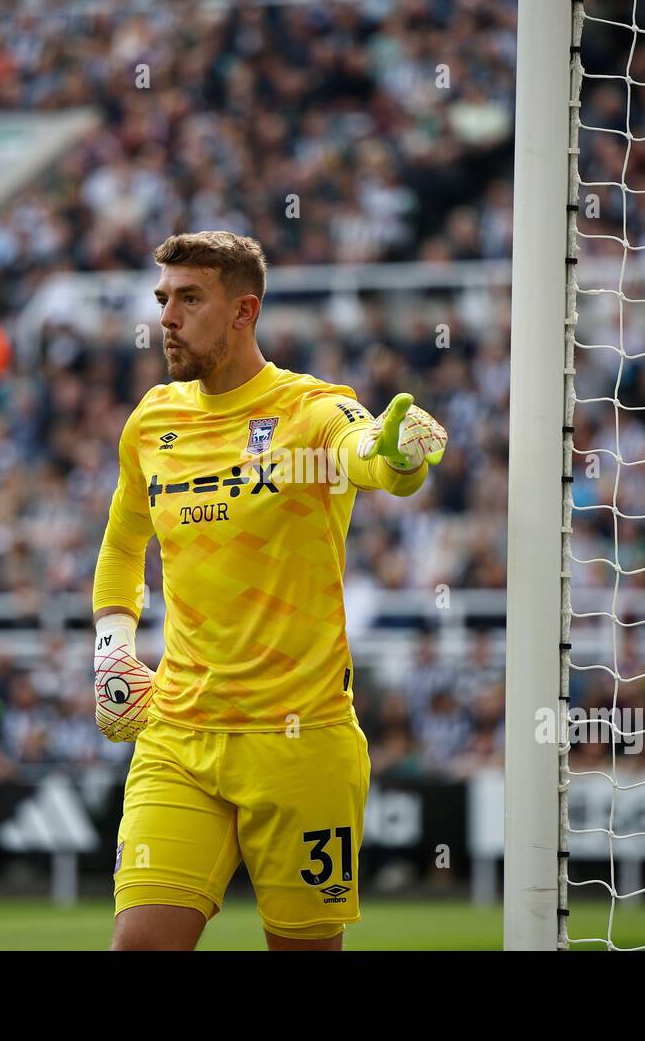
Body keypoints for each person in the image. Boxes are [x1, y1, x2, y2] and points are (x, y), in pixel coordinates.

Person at [91, 231, 447, 951]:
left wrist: (401, 458)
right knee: (139, 945)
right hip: (179, 736)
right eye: (163, 299)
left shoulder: (312, 410)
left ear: (243, 310)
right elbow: (125, 544)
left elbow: (368, 455)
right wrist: (111, 648)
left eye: (190, 299)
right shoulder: (152, 422)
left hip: (300, 743)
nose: (167, 317)